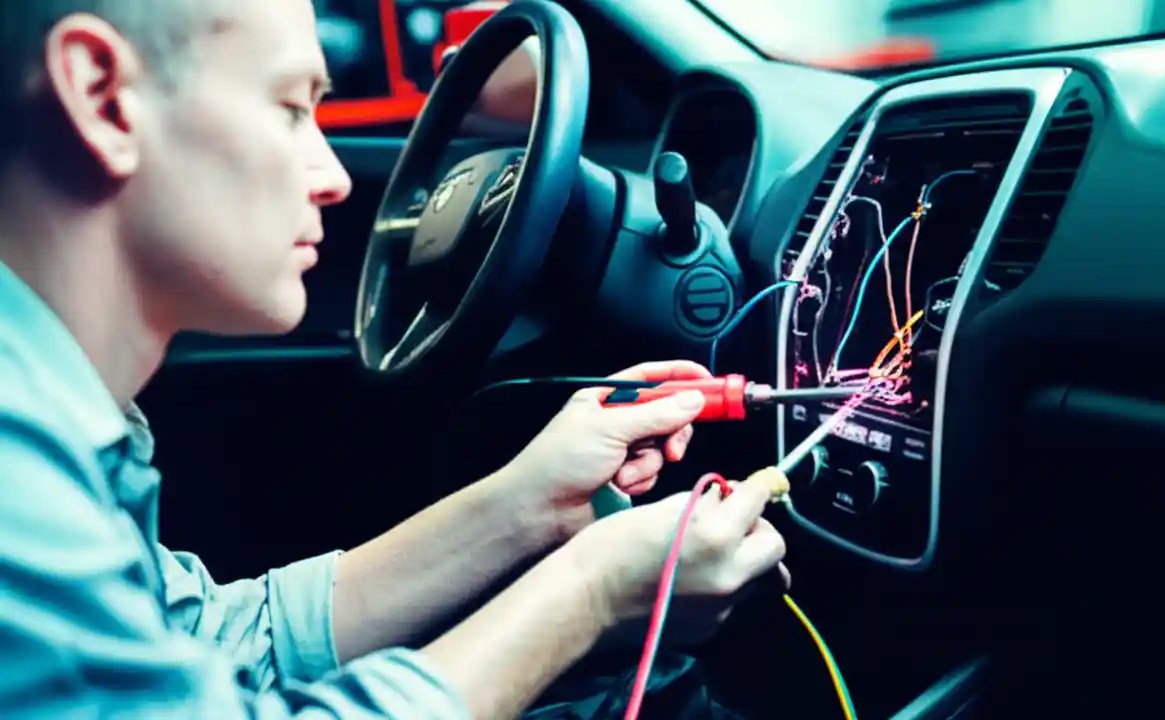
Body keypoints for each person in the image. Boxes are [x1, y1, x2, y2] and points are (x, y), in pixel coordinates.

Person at [0, 1, 788, 718]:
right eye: (289, 109)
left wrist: (534, 503)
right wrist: (592, 593)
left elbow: (211, 643)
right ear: (103, 96)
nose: (335, 176)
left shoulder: (54, 416)